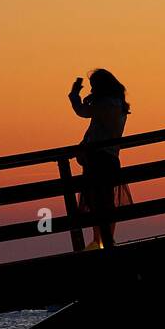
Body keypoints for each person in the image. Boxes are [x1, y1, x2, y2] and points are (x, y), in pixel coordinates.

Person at [69, 69, 130, 248]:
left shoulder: (104, 105)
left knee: (96, 202)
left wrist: (74, 94)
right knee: (107, 201)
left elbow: (82, 111)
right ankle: (107, 239)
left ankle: (99, 241)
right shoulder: (118, 104)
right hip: (111, 157)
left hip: (97, 159)